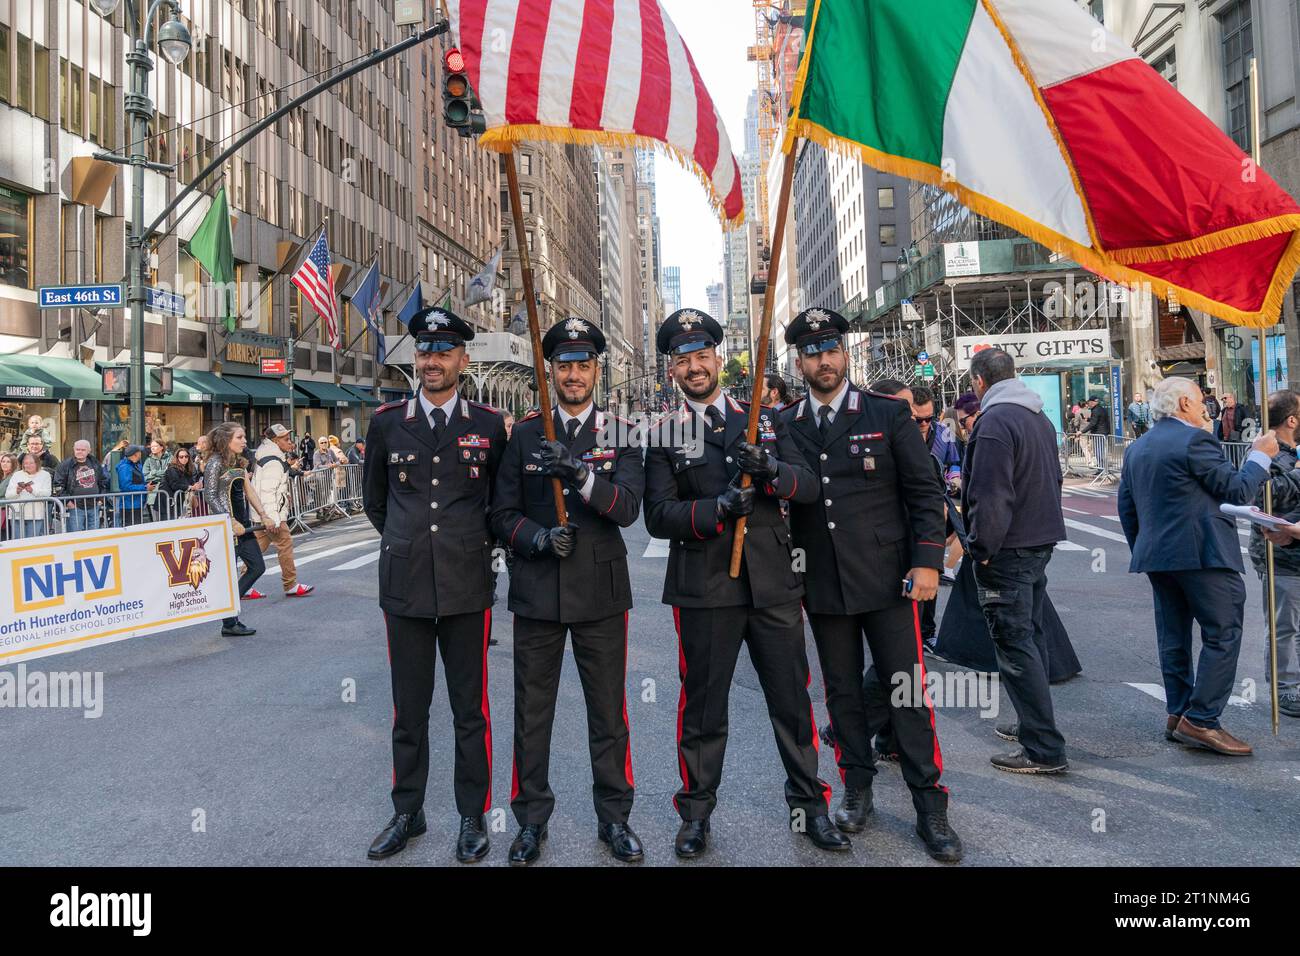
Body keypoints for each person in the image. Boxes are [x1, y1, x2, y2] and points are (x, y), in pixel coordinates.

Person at [644, 307, 845, 858]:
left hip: (773, 583)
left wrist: (772, 471)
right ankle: (696, 815)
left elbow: (808, 487)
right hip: (703, 586)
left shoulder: (767, 421)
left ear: (718, 358)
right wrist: (716, 508)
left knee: (791, 702)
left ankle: (811, 808)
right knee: (704, 708)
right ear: (672, 371)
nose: (695, 367)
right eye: (683, 360)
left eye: (703, 356)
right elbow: (658, 514)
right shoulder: (663, 433)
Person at [780, 308, 961, 863]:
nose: (824, 360)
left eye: (831, 348)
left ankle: (931, 806)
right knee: (841, 695)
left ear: (845, 354)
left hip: (889, 583)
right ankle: (857, 788)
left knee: (906, 691)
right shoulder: (786, 424)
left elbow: (925, 492)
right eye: (813, 352)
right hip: (824, 584)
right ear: (800, 362)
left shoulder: (886, 413)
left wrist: (928, 562)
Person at [489, 317, 645, 865]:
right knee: (533, 713)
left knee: (608, 713)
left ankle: (615, 818)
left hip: (601, 593)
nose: (573, 375)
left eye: (582, 365)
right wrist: (535, 536)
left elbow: (627, 508)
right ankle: (531, 820)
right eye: (563, 366)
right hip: (538, 592)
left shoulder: (620, 432)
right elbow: (500, 513)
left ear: (597, 371)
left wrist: (580, 476)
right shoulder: (527, 434)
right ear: (549, 371)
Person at [362, 306, 507, 863]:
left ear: (463, 361)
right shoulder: (387, 422)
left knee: (470, 710)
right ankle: (408, 811)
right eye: (424, 350)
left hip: (468, 585)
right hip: (405, 588)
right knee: (408, 710)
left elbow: (498, 502)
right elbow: (377, 502)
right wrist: (407, 543)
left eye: (444, 351)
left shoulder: (488, 425)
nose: (432, 360)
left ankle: (473, 815)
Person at [1119, 377, 1277, 755]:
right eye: (1200, 400)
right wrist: (1260, 455)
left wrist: (1144, 547)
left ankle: (1178, 712)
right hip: (1202, 554)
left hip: (1158, 555)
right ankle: (1202, 719)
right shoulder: (1195, 439)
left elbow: (1127, 507)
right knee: (1222, 633)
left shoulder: (1138, 447)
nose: (1206, 406)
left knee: (1173, 637)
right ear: (1184, 405)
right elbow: (1237, 489)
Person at [963, 348, 1069, 774]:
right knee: (1030, 636)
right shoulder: (1037, 417)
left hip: (1007, 547)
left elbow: (991, 495)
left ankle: (1043, 747)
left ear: (979, 381)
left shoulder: (995, 422)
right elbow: (1053, 478)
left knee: (1014, 642)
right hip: (1038, 539)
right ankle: (1034, 725)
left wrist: (981, 547)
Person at [1246, 390, 1300, 719]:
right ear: (1291, 420)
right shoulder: (1264, 453)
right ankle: (1285, 689)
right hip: (1280, 557)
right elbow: (1261, 497)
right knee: (1285, 627)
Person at [202, 422, 273, 638]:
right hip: (226, 528)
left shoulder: (239, 461)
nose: (244, 441)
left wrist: (264, 514)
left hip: (244, 525)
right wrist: (230, 521)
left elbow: (248, 490)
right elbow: (210, 495)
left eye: (243, 437)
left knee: (257, 567)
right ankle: (230, 621)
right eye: (239, 437)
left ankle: (230, 611)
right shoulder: (214, 463)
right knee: (228, 575)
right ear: (226, 440)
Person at [249, 423, 315, 600]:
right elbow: (268, 492)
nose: (290, 442)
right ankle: (290, 584)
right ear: (274, 441)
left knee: (256, 550)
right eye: (285, 439)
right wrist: (274, 519)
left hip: (264, 514)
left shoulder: (270, 456)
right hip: (272, 515)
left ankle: (243, 584)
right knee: (285, 545)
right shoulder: (273, 460)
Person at [54, 440, 109, 532]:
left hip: (94, 505)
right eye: (77, 449)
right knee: (76, 535)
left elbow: (103, 481)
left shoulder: (95, 463)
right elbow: (58, 485)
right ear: (74, 449)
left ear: (89, 451)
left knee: (94, 535)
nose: (79, 452)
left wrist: (101, 499)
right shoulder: (65, 465)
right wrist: (68, 502)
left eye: (83, 450)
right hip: (75, 506)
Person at [5, 452, 52, 538]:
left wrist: (33, 490)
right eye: (25, 463)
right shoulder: (17, 474)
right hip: (17, 514)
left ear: (37, 463)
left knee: (32, 541)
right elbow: (7, 495)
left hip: (35, 514)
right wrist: (17, 491)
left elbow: (47, 493)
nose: (28, 465)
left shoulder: (45, 475)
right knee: (17, 541)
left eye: (31, 463)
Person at [115, 445, 148, 527]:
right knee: (131, 528)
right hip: (129, 505)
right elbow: (126, 487)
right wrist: (145, 487)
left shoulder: (136, 464)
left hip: (137, 502)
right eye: (140, 452)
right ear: (135, 454)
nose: (141, 454)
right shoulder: (125, 467)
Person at [160, 446, 198, 515]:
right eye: (181, 457)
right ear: (177, 458)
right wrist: (189, 487)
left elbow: (191, 482)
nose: (184, 458)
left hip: (180, 502)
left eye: (186, 456)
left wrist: (196, 485)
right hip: (169, 503)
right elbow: (175, 485)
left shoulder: (188, 469)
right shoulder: (172, 469)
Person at [143, 438, 171, 521]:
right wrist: (158, 473)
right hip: (153, 495)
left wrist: (153, 473)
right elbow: (145, 477)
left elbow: (169, 473)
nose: (152, 448)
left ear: (162, 447)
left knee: (168, 521)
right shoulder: (148, 460)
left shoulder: (170, 458)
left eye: (155, 446)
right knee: (156, 522)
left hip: (168, 494)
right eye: (151, 446)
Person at [0, 452, 18, 538]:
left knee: (5, 536)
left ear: (13, 464)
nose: (5, 464)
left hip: (6, 510)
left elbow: (3, 492)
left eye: (8, 462)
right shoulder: (3, 477)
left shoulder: (13, 477)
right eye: (3, 461)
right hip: (2, 509)